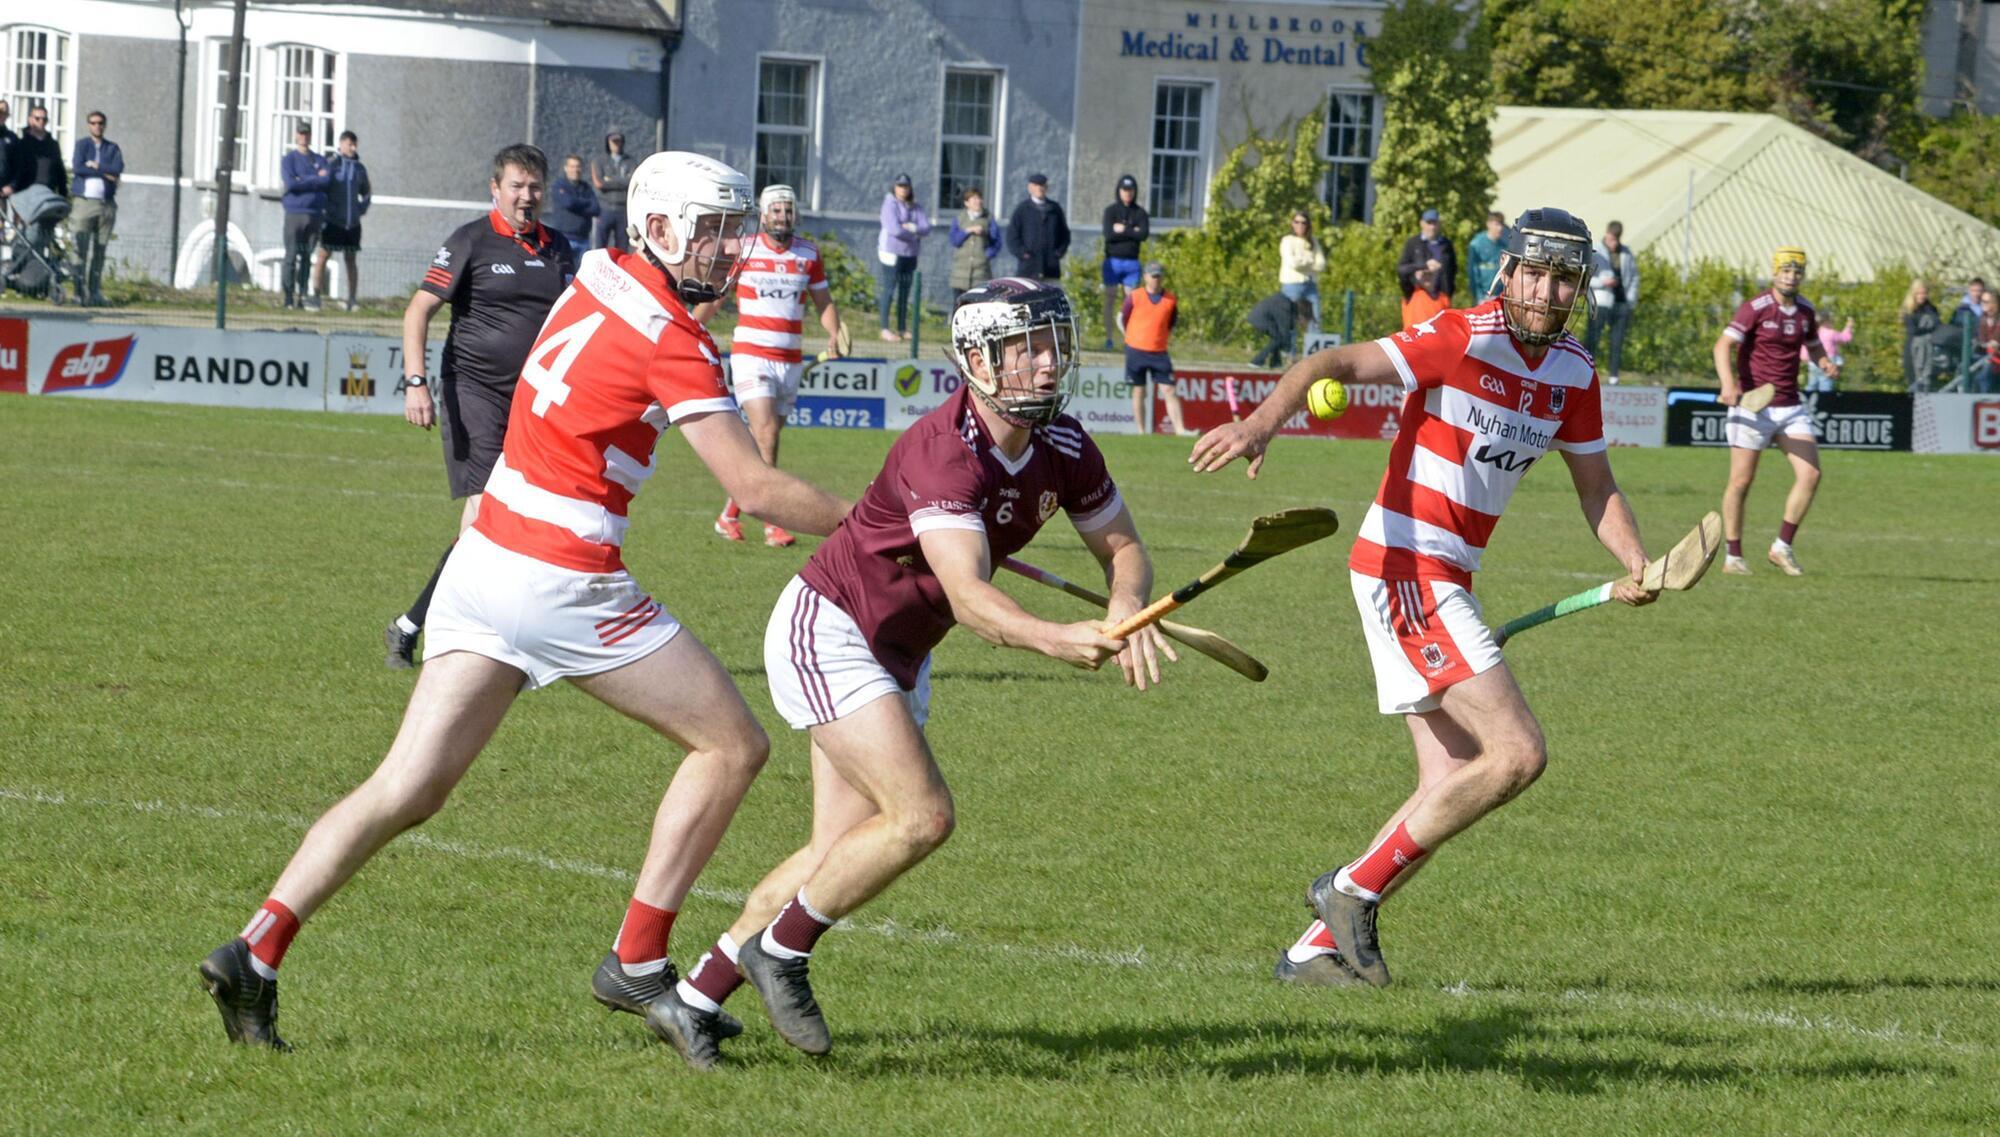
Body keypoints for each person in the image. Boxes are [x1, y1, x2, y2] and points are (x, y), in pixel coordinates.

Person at [197, 151, 855, 1053]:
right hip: (561, 575)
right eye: (710, 229)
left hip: (484, 555)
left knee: (407, 785)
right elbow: (755, 486)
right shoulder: (673, 333)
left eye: (731, 227)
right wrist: (880, 523)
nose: (728, 246)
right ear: (657, 229)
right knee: (733, 743)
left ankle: (255, 949)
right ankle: (637, 957)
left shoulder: (598, 271)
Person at [642, 278, 1174, 1069]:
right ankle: (782, 949)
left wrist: (1125, 610)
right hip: (833, 628)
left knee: (836, 849)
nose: (1043, 363)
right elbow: (970, 596)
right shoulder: (942, 453)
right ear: (978, 360)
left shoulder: (1066, 445)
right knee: (922, 817)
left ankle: (694, 1000)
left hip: (899, 650)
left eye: (1052, 343)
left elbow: (1123, 549)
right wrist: (1058, 639)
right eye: (1022, 348)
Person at [1188, 207, 1656, 989]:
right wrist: (1263, 422)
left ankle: (1314, 951)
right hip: (1405, 564)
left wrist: (1638, 559)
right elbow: (1331, 360)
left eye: (1563, 278)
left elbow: (1597, 486)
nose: (1545, 291)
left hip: (1447, 573)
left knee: (1452, 783)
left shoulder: (1575, 373)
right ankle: (1348, 890)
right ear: (1505, 272)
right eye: (1534, 272)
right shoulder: (1458, 336)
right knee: (1516, 753)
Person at [382, 144, 579, 670]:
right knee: (486, 515)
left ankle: (413, 623)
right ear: (496, 189)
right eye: (516, 186)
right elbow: (417, 310)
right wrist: (416, 383)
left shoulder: (558, 248)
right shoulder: (471, 240)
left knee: (528, 515)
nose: (526, 196)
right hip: (473, 393)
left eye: (534, 186)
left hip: (534, 402)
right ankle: (446, 635)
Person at [708, 183, 845, 547]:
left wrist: (835, 333)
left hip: (790, 361)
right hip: (752, 355)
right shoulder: (746, 248)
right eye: (777, 210)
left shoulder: (808, 253)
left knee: (764, 440)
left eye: (788, 210)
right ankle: (773, 523)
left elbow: (823, 302)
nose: (783, 216)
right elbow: (716, 296)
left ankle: (728, 515)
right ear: (764, 214)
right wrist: (691, 325)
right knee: (766, 433)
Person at [1714, 246, 1835, 578]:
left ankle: (1781, 547)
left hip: (1789, 406)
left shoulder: (1806, 311)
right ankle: (1733, 555)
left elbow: (1812, 343)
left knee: (1810, 474)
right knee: (1741, 481)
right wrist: (1728, 384)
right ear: (1775, 272)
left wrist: (1823, 361)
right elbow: (1722, 345)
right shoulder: (1755, 308)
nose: (1791, 276)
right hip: (1752, 407)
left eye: (1797, 271)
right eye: (1786, 270)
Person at [1120, 261, 1190, 435]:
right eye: (1153, 276)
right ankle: (1141, 431)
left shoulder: (1170, 299)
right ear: (1145, 277)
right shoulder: (1135, 296)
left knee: (1169, 389)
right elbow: (1122, 318)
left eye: (1159, 276)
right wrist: (1128, 337)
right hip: (1136, 349)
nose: (1156, 280)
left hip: (1159, 351)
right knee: (1139, 390)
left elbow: (1171, 323)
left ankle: (1180, 429)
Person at [68, 110, 123, 307]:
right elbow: (78, 168)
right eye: (93, 123)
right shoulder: (82, 145)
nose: (97, 126)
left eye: (100, 123)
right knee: (79, 249)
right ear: (88, 125)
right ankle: (78, 292)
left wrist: (96, 166)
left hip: (106, 204)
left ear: (104, 125)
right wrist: (105, 172)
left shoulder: (112, 148)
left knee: (100, 250)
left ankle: (95, 291)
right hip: (84, 203)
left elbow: (117, 169)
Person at [313, 131, 370, 312]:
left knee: (350, 259)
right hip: (332, 221)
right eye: (350, 144)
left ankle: (352, 299)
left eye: (355, 145)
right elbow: (321, 187)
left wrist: (360, 210)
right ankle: (315, 296)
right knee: (323, 256)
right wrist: (326, 210)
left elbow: (366, 192)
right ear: (342, 144)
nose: (353, 148)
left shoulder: (360, 169)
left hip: (352, 224)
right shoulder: (332, 165)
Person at [278, 124, 329, 310]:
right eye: (300, 133)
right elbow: (291, 183)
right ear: (296, 135)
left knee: (307, 257)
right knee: (291, 256)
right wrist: (314, 178)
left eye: (306, 133)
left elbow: (326, 180)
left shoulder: (319, 159)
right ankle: (288, 297)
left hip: (314, 214)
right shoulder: (289, 159)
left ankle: (302, 295)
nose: (303, 136)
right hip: (294, 213)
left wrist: (304, 179)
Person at [876, 173, 930, 341]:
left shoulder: (915, 206)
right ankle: (884, 328)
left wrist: (912, 227)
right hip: (891, 253)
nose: (903, 189)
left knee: (905, 292)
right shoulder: (889, 205)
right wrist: (914, 234)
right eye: (900, 186)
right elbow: (895, 229)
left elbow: (926, 227)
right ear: (895, 187)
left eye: (906, 186)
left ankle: (901, 328)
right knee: (889, 290)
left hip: (910, 254)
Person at [1101, 173, 1149, 348]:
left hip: (1132, 263)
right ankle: (1109, 338)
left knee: (1131, 301)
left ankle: (1130, 337)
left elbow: (1143, 235)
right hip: (1113, 262)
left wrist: (1124, 229)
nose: (1128, 193)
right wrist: (1132, 231)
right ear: (1119, 191)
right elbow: (1109, 234)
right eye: (1125, 190)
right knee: (1110, 298)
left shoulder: (1140, 212)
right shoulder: (1111, 211)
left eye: (1131, 190)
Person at [1584, 220, 1635, 384]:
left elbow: (1634, 278)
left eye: (1616, 241)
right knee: (1592, 338)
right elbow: (1586, 278)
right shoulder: (1595, 252)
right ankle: (1587, 372)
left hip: (1620, 303)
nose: (1613, 244)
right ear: (1606, 235)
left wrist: (1631, 301)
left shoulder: (1626, 253)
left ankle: (1614, 376)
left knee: (1617, 340)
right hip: (1600, 302)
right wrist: (1602, 283)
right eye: (1610, 239)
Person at [1005, 172, 1069, 283]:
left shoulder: (1055, 209)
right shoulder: (1023, 209)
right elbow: (1012, 236)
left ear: (1046, 188)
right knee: (1027, 298)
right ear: (1030, 188)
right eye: (1036, 186)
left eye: (1042, 186)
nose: (1040, 189)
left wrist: (1058, 253)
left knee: (1049, 297)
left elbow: (1065, 235)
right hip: (1029, 268)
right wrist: (1023, 253)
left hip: (1050, 267)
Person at [946, 186, 999, 305]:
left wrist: (987, 256)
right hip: (960, 272)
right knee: (960, 305)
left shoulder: (988, 219)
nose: (978, 201)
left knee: (978, 305)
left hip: (981, 273)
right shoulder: (959, 219)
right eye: (974, 199)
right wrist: (968, 230)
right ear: (966, 203)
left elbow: (996, 242)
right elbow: (954, 240)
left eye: (979, 198)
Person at [1396, 208, 1456, 309]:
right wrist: (1423, 267)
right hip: (1417, 299)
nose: (1432, 227)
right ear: (1422, 223)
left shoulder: (1446, 245)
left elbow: (1452, 270)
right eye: (1429, 223)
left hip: (1441, 300)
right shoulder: (1413, 243)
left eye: (1435, 223)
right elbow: (1402, 270)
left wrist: (1449, 292)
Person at [1278, 211, 1327, 330]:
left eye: (1303, 222)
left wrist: (1303, 261)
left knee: (1315, 320)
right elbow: (1293, 263)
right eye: (1297, 222)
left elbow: (1321, 264)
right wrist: (1310, 260)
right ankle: (1290, 349)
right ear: (1292, 224)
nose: (1300, 225)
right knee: (1291, 320)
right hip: (1292, 285)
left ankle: (1314, 348)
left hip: (1310, 285)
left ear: (1308, 225)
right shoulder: (1287, 241)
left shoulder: (1313, 241)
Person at [591, 130, 635, 251]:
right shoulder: (599, 161)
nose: (616, 144)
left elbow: (632, 182)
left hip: (623, 210)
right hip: (604, 209)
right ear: (608, 142)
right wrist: (622, 181)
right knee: (600, 247)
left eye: (619, 141)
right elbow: (599, 183)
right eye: (613, 142)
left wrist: (611, 179)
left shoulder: (630, 162)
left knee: (622, 247)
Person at [548, 154, 601, 251]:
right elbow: (569, 203)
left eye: (578, 167)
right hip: (564, 238)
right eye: (572, 167)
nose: (575, 170)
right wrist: (586, 203)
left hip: (583, 240)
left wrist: (576, 204)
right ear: (566, 168)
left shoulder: (586, 188)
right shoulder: (559, 185)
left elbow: (596, 208)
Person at [1901, 279, 1941, 391]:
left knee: (1927, 382)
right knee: (1914, 382)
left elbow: (1937, 324)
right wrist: (1928, 328)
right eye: (1919, 293)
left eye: (1924, 293)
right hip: (1913, 349)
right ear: (1913, 293)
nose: (1922, 296)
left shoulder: (1931, 309)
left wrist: (1926, 328)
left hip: (1930, 349)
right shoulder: (1909, 310)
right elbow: (1912, 330)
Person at [1247, 291, 1302, 369]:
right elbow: (1284, 329)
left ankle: (1276, 363)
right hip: (1261, 320)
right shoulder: (1284, 308)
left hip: (1257, 317)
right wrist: (1287, 349)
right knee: (1277, 339)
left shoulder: (1284, 302)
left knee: (1277, 339)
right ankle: (1256, 361)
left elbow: (1287, 326)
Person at [1803, 314, 1852, 393]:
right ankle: (1824, 403)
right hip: (1828, 362)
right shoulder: (1831, 333)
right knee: (1826, 384)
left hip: (1812, 362)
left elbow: (1807, 345)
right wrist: (1849, 326)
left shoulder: (1814, 333)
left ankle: (1806, 401)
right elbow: (1845, 338)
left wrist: (1805, 357)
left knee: (1811, 384)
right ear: (1827, 322)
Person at [1466, 211, 1508, 301]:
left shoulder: (1504, 246)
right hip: (1483, 297)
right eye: (1496, 224)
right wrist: (1479, 296)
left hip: (1500, 296)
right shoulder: (1476, 244)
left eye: (1501, 225)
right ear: (1488, 224)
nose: (1500, 228)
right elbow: (1473, 272)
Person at [1973, 290, 2000, 393]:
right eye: (1982, 301)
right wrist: (1985, 345)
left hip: (1996, 359)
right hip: (1982, 356)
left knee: (1985, 372)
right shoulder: (1980, 321)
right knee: (1964, 367)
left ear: (1995, 303)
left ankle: (1984, 400)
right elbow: (1975, 341)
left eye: (1986, 301)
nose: (1983, 304)